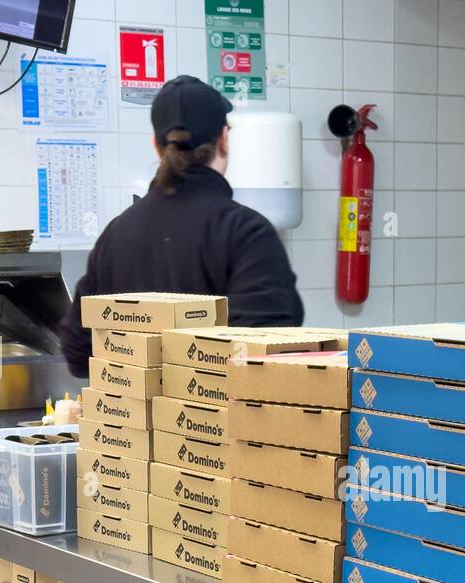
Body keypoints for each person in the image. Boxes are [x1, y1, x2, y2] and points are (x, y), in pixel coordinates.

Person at [58, 75, 304, 376]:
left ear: (156, 146)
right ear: (224, 140)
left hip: (132, 420)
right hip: (219, 422)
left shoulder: (116, 234)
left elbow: (78, 352)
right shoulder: (246, 231)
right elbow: (267, 352)